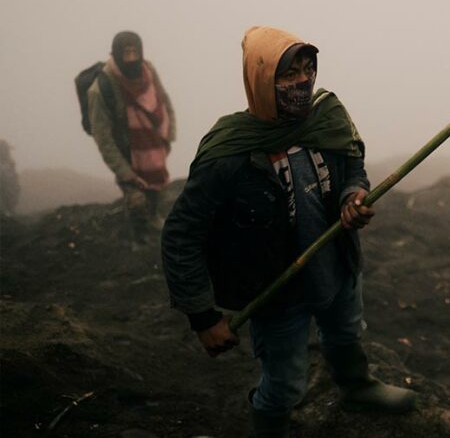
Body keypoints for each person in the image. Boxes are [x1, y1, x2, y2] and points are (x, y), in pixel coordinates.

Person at [161, 26, 416, 437]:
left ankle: (356, 385)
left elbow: (353, 165)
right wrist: (203, 316)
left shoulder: (325, 118)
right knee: (285, 383)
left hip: (337, 266)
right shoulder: (229, 152)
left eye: (306, 69)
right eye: (287, 74)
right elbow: (181, 235)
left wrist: (354, 196)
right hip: (276, 291)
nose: (302, 81)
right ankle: (270, 424)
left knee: (346, 332)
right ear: (260, 82)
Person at [88, 31, 175, 241]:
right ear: (116, 53)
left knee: (156, 190)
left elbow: (163, 99)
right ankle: (138, 241)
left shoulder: (148, 70)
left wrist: (168, 135)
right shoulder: (100, 89)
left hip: (153, 146)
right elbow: (103, 138)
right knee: (136, 200)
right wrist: (125, 172)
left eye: (135, 52)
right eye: (126, 52)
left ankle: (154, 220)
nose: (131, 58)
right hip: (126, 152)